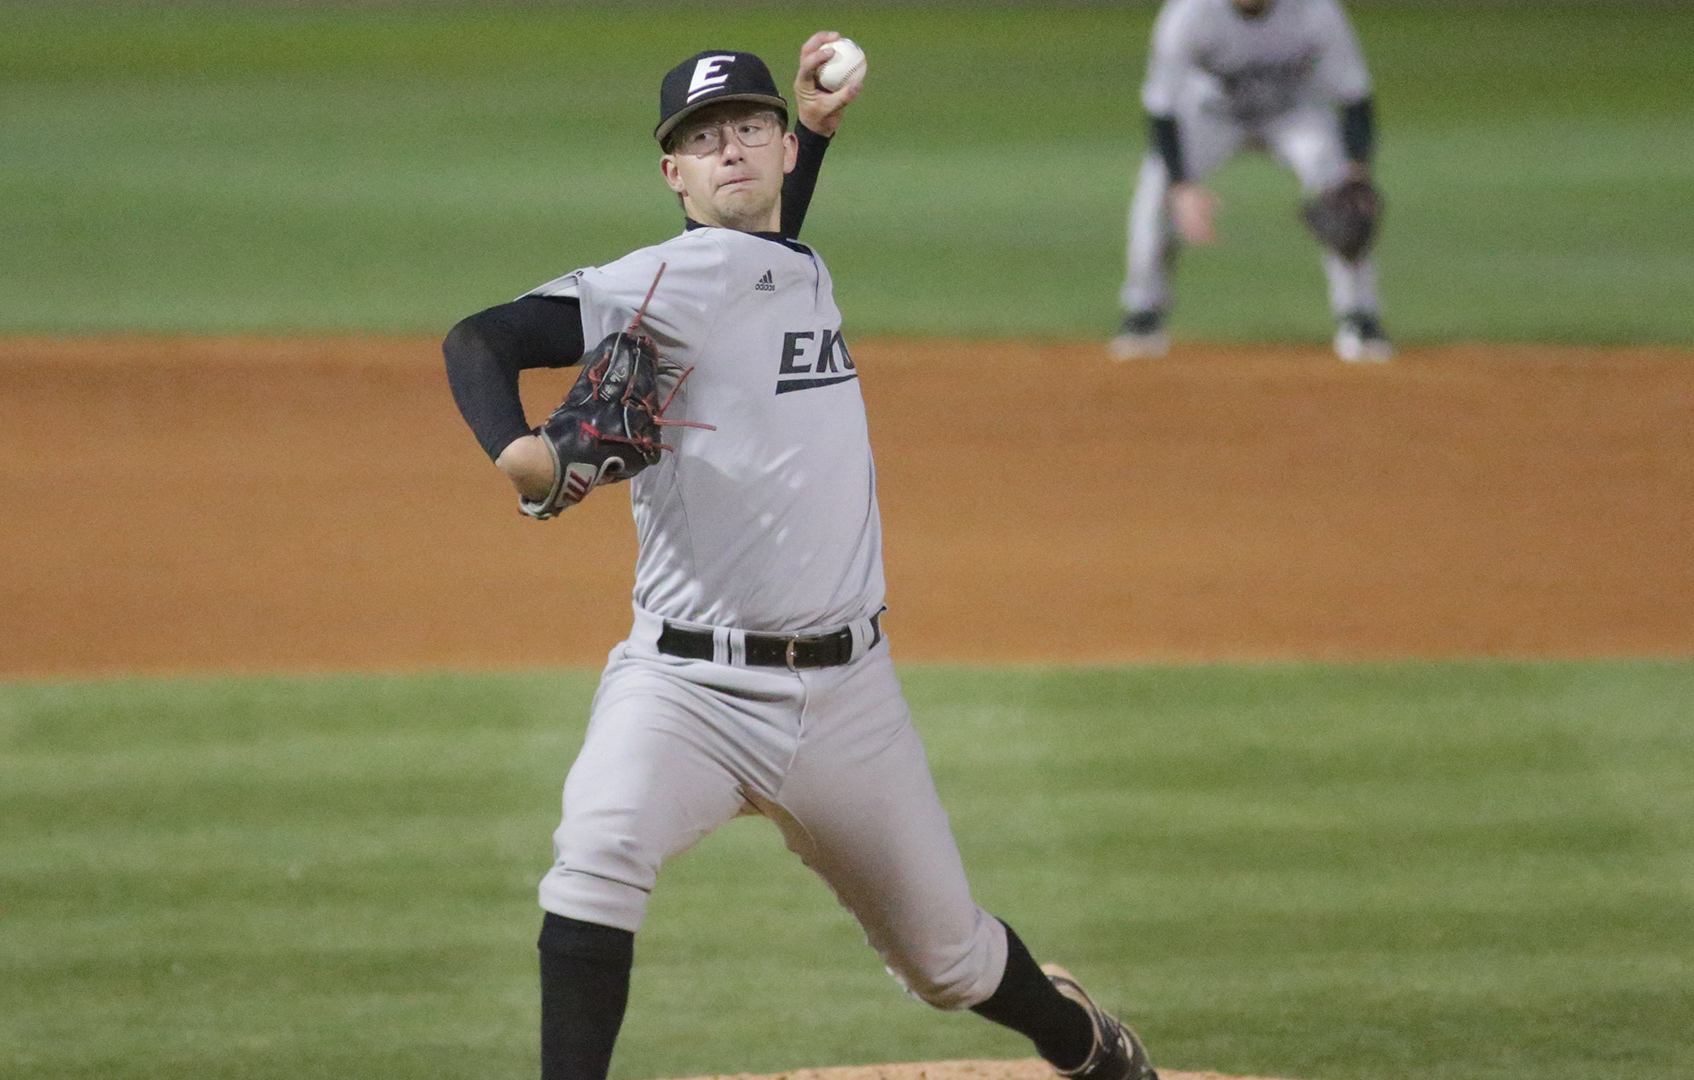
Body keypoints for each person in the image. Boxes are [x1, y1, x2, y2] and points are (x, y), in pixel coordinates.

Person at [443, 33, 1160, 1080]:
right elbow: (479, 338)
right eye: (701, 139)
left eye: (747, 128)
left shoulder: (786, 262)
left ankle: (1085, 1044)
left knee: (948, 959)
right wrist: (517, 451)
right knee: (595, 857)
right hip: (686, 687)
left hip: (848, 701)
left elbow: (760, 256)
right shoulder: (663, 278)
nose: (727, 148)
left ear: (779, 148)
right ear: (672, 173)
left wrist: (817, 131)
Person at [1111, 0, 1391, 362]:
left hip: (1293, 116)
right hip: (1212, 118)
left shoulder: (1316, 10)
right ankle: (1142, 312)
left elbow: (1356, 97)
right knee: (1157, 183)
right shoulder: (1189, 14)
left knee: (1338, 185)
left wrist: (1356, 174)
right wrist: (1182, 188)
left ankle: (1360, 315)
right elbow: (1161, 109)